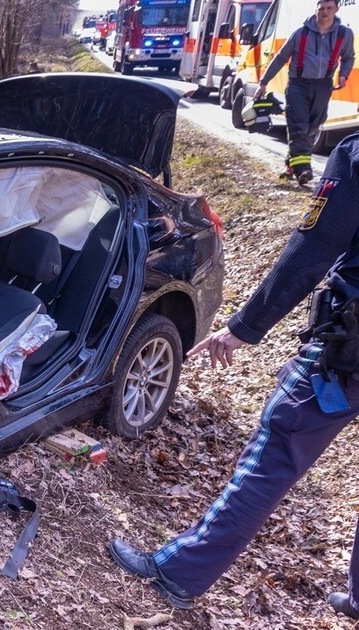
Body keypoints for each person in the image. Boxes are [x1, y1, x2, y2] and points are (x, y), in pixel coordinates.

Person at [108, 133, 359, 619]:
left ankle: (180, 573)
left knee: (276, 453)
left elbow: (313, 250)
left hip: (348, 353)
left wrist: (245, 328)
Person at [257, 0, 354, 186]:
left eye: (329, 8)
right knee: (298, 125)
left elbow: (349, 57)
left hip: (324, 85)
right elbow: (280, 58)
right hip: (298, 84)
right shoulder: (301, 33)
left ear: (336, 9)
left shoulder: (344, 34)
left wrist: (344, 75)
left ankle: (291, 164)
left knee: (313, 126)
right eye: (321, 8)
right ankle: (303, 169)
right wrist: (264, 82)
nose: (325, 12)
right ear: (316, 9)